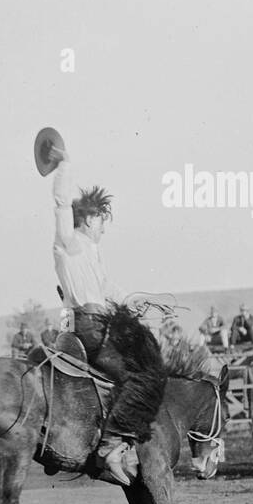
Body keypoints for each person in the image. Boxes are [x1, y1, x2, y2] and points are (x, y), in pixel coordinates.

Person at [48, 141, 166, 485]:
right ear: (88, 218)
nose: (104, 226)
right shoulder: (69, 243)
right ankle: (111, 448)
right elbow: (59, 205)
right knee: (141, 376)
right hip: (90, 326)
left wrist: (136, 303)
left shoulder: (90, 252)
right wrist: (64, 166)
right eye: (102, 219)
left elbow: (108, 287)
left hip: (96, 323)